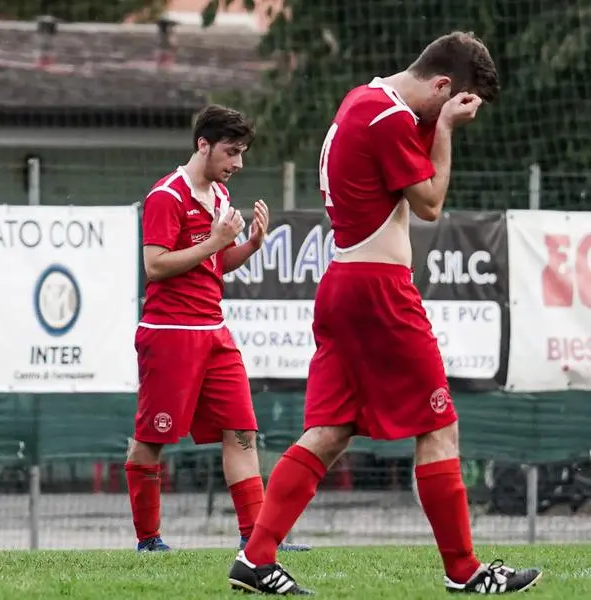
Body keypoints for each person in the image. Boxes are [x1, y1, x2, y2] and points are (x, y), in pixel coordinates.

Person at [227, 32, 542, 595]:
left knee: (330, 430)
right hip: (380, 292)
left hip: (345, 284)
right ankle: (464, 571)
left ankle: (254, 558)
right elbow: (429, 203)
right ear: (442, 86)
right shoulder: (389, 118)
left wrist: (435, 118)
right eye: (453, 101)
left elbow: (400, 158)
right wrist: (443, 130)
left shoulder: (363, 101)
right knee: (439, 425)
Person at [127, 104, 309, 554]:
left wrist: (250, 245)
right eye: (231, 152)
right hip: (170, 334)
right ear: (202, 145)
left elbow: (213, 262)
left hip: (215, 332)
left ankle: (258, 539)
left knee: (242, 432)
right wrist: (214, 241)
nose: (238, 163)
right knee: (152, 440)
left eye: (242, 153)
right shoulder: (167, 196)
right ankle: (149, 540)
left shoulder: (222, 199)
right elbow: (155, 265)